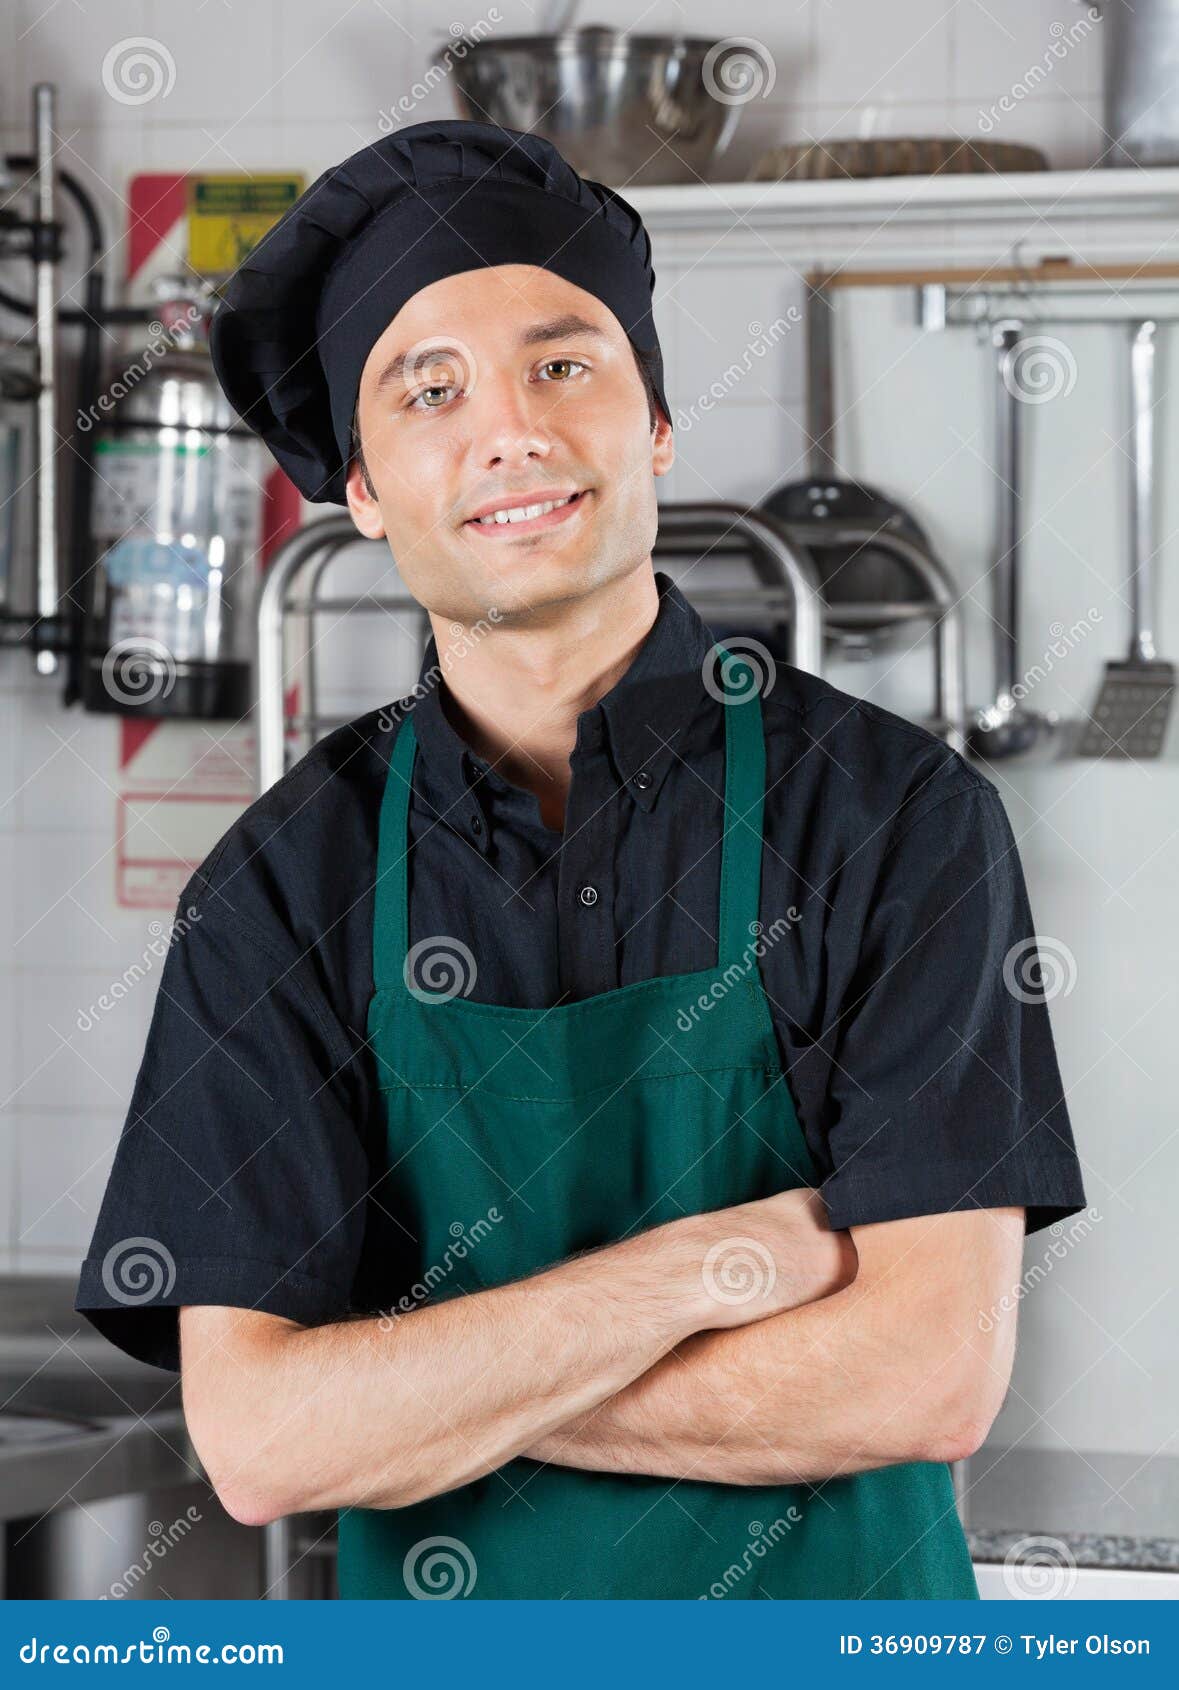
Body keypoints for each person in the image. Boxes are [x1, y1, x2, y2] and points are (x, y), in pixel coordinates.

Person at [75, 119, 1087, 1601]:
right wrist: (699, 1273)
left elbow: (926, 1374)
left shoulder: (895, 815)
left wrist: (429, 1395)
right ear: (359, 487)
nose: (513, 433)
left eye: (565, 363)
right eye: (431, 390)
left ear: (657, 422)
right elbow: (262, 1439)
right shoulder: (282, 886)